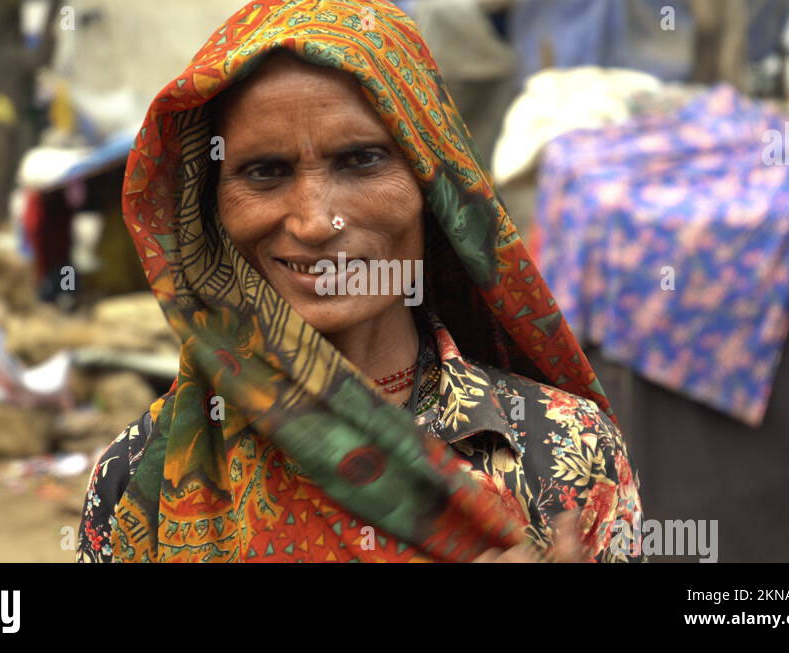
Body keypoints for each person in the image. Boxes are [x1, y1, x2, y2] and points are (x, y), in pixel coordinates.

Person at [78, 0, 644, 563]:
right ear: (212, 211)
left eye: (361, 161)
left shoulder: (562, 452)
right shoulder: (139, 478)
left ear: (433, 184)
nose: (316, 222)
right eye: (265, 172)